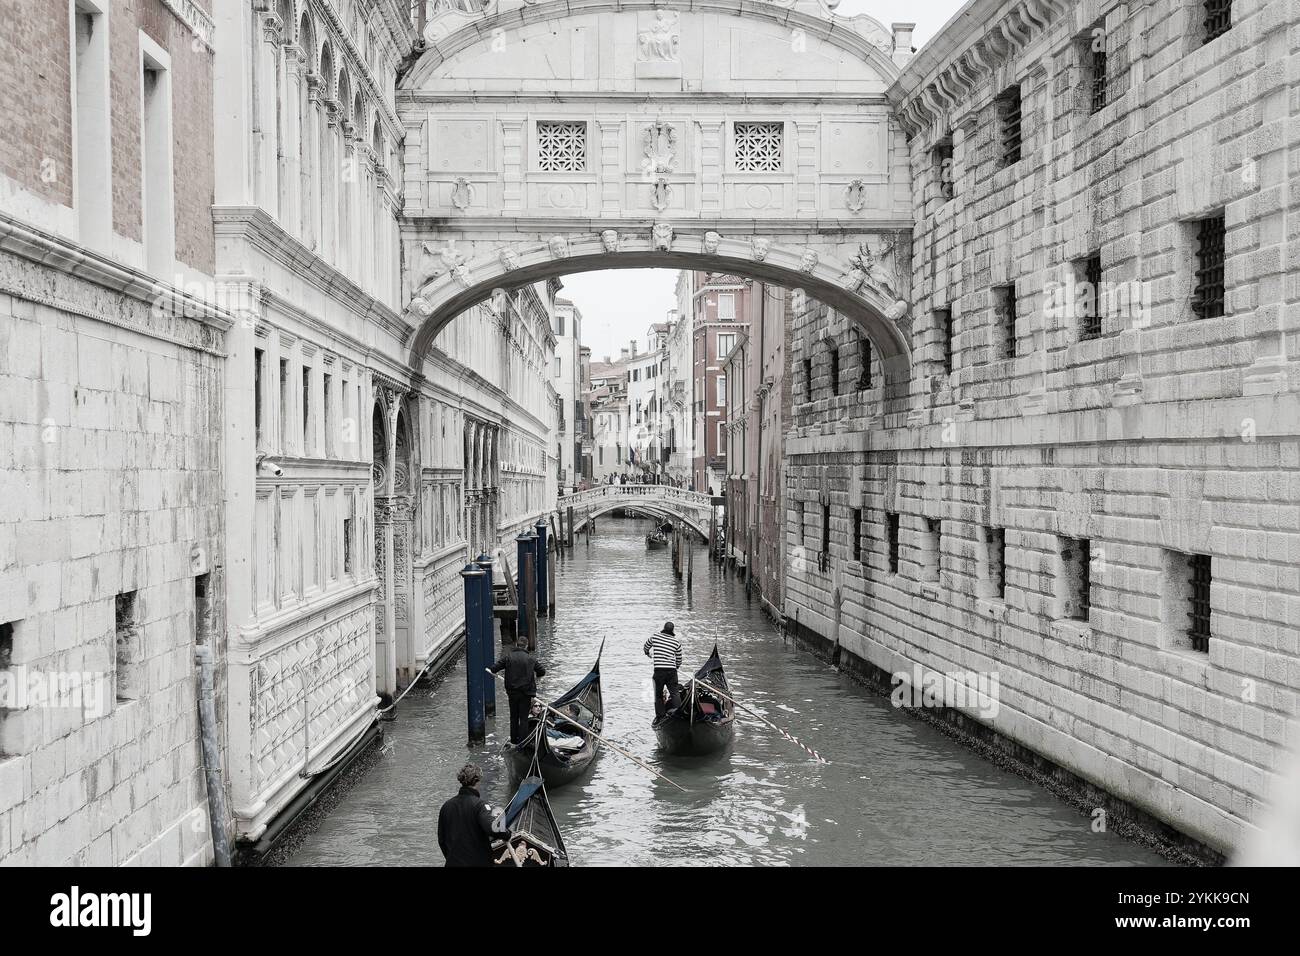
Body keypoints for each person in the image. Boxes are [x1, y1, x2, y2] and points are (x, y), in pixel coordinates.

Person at [437, 763, 504, 867]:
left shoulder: (446, 806)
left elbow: (442, 840)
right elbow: (492, 828)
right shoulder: (480, 805)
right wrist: (507, 833)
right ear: (478, 781)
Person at [491, 635, 547, 744]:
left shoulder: (508, 657)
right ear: (526, 646)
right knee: (524, 718)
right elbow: (542, 671)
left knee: (514, 717)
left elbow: (494, 668)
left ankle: (514, 741)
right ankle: (523, 742)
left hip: (512, 692)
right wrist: (537, 676)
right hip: (526, 693)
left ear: (517, 644)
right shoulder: (531, 658)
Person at [643, 621, 683, 720]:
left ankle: (660, 716)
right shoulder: (676, 642)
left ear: (664, 628)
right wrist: (676, 668)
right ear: (672, 630)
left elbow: (646, 646)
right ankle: (679, 713)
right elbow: (679, 659)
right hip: (672, 671)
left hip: (659, 671)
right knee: (674, 692)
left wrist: (647, 653)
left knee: (658, 694)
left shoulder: (655, 637)